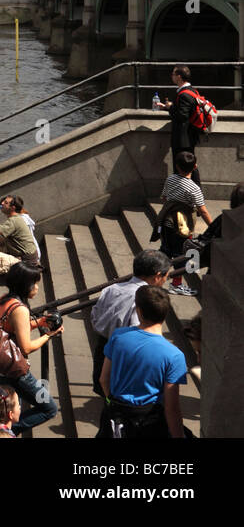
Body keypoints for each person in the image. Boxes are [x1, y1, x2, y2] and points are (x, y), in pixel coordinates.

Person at [99, 285, 188, 438]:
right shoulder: (174, 355)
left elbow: (103, 379)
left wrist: (111, 402)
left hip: (116, 415)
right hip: (149, 422)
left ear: (138, 311)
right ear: (165, 313)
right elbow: (171, 407)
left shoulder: (119, 336)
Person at [0, 262, 62, 436]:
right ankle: (5, 432)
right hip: (16, 371)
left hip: (1, 366)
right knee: (49, 408)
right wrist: (49, 335)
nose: (37, 288)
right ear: (24, 285)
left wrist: (40, 322)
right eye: (34, 283)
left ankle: (1, 430)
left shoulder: (6, 300)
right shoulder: (20, 309)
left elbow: (12, 327)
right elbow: (27, 347)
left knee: (12, 405)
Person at [89, 250, 172, 395]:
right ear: (158, 276)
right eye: (166, 276)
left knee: (104, 386)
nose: (166, 280)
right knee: (119, 394)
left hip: (103, 346)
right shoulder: (144, 300)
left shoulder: (111, 289)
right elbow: (137, 333)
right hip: (126, 356)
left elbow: (95, 317)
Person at [154, 151, 212, 296]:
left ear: (177, 166)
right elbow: (203, 210)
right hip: (182, 227)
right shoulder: (194, 188)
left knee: (165, 250)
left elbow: (164, 197)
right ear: (195, 167)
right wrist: (212, 226)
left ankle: (152, 276)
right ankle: (176, 284)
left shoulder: (170, 179)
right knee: (180, 254)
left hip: (166, 222)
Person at [155, 66, 202, 186]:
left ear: (179, 77)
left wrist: (170, 107)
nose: (172, 76)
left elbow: (182, 116)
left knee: (183, 166)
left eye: (173, 74)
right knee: (190, 165)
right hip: (188, 136)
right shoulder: (192, 90)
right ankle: (194, 192)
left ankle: (189, 193)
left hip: (183, 139)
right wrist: (169, 106)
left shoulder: (184, 94)